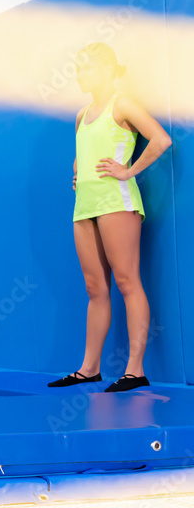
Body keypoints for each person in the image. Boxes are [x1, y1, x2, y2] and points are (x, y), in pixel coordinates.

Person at [48, 43, 172, 392]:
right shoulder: (82, 114)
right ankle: (89, 369)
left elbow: (161, 140)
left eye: (85, 67)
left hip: (116, 203)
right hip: (84, 206)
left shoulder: (123, 104)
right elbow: (84, 154)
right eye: (77, 67)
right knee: (95, 288)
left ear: (105, 68)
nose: (79, 74)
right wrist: (78, 172)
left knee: (127, 282)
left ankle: (135, 370)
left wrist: (128, 170)